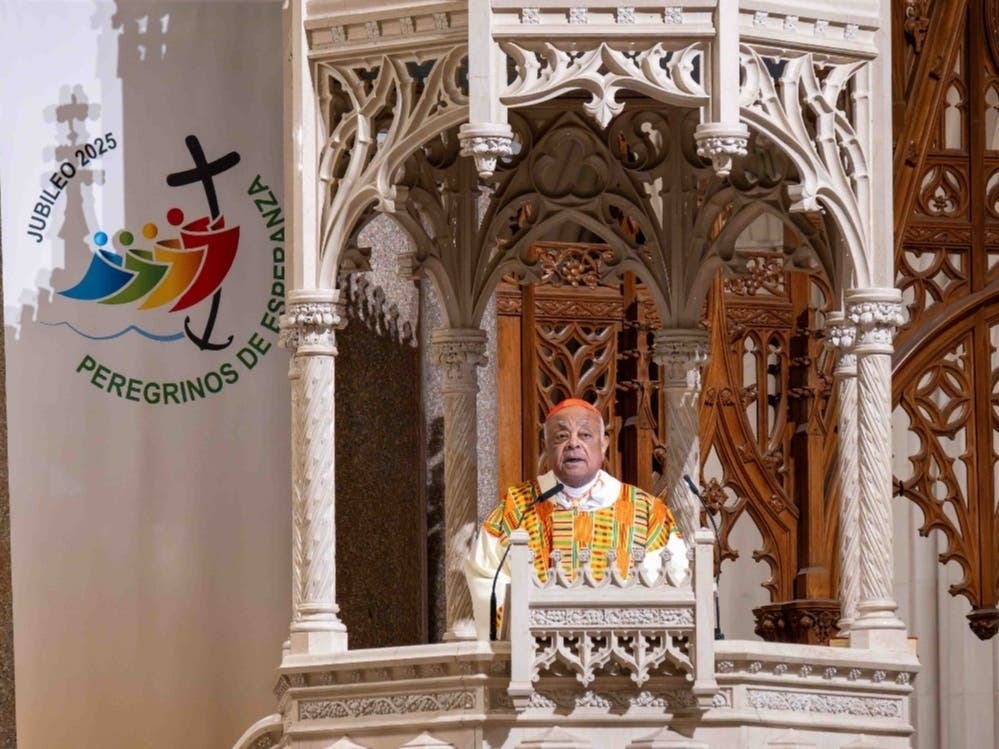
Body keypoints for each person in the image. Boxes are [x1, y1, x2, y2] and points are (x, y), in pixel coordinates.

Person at [465, 397, 688, 639]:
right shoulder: (518, 508)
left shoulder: (646, 511)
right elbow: (487, 575)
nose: (573, 443)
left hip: (623, 655)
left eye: (585, 435)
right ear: (546, 446)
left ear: (604, 445)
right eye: (561, 436)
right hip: (534, 658)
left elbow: (673, 577)